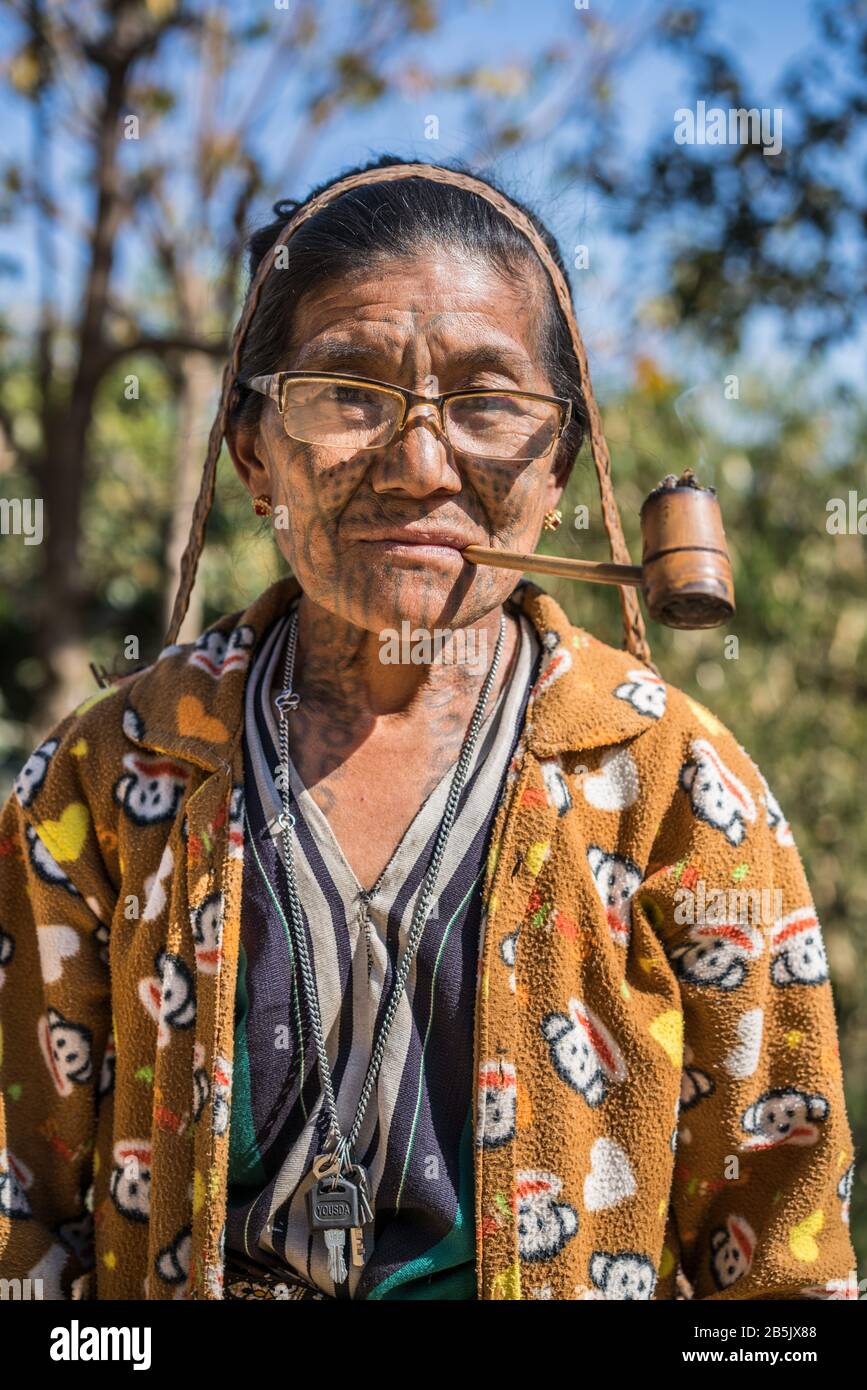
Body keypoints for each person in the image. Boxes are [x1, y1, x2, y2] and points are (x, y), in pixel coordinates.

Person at [0, 156, 857, 1302]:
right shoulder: (112, 774)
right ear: (253, 449)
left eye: (487, 403)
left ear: (556, 466)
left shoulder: (673, 786)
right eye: (346, 392)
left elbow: (784, 1259)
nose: (416, 465)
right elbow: (21, 1209)